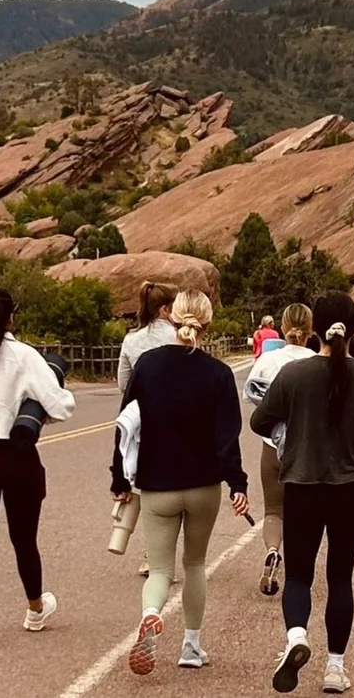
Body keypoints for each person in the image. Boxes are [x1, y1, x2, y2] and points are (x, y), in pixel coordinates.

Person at [251, 292, 354, 694]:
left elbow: (260, 420)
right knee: (340, 576)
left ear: (315, 329)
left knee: (298, 575)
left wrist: (293, 427)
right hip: (352, 487)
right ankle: (334, 668)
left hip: (302, 484)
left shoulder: (293, 376)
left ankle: (296, 637)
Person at [111, 289, 250, 674]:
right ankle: (191, 646)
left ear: (173, 318)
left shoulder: (148, 366)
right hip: (204, 484)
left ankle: (152, 614)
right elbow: (228, 436)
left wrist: (119, 478)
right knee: (195, 564)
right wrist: (237, 484)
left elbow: (126, 424)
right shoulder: (219, 374)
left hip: (157, 484)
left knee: (159, 570)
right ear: (206, 323)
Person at [0, 286, 76, 650]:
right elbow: (61, 405)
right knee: (24, 539)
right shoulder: (24, 355)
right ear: (11, 317)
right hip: (15, 454)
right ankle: (35, 609)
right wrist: (37, 412)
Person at [244, 303, 315, 597]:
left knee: (274, 509)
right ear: (311, 330)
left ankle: (273, 550)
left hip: (273, 445)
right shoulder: (316, 360)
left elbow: (252, 395)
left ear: (283, 329)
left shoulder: (268, 360)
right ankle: (299, 571)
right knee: (303, 512)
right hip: (308, 447)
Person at [117, 281, 178, 577]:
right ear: (166, 309)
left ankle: (151, 553)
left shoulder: (132, 340)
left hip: (143, 419)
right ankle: (162, 553)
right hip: (179, 416)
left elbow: (122, 384)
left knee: (146, 485)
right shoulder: (181, 336)